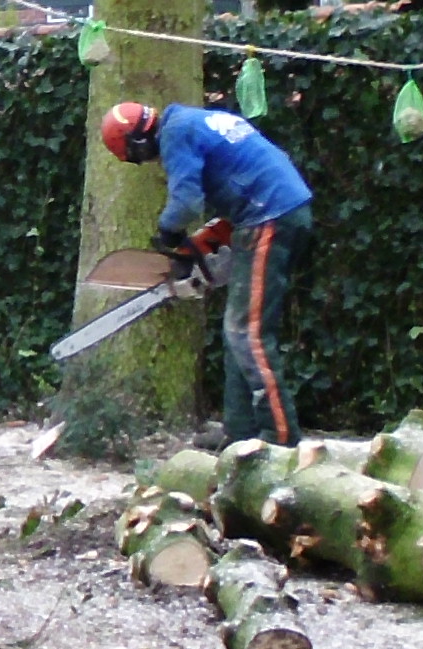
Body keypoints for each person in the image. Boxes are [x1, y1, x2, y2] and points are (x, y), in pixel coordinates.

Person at [101, 96, 315, 446]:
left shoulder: (176, 133)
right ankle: (240, 432)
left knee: (249, 333)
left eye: (137, 156)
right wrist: (196, 247)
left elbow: (186, 201)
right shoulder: (194, 121)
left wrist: (169, 232)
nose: (146, 162)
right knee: (238, 330)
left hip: (269, 217)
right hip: (269, 211)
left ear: (138, 141)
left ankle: (281, 437)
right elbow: (242, 182)